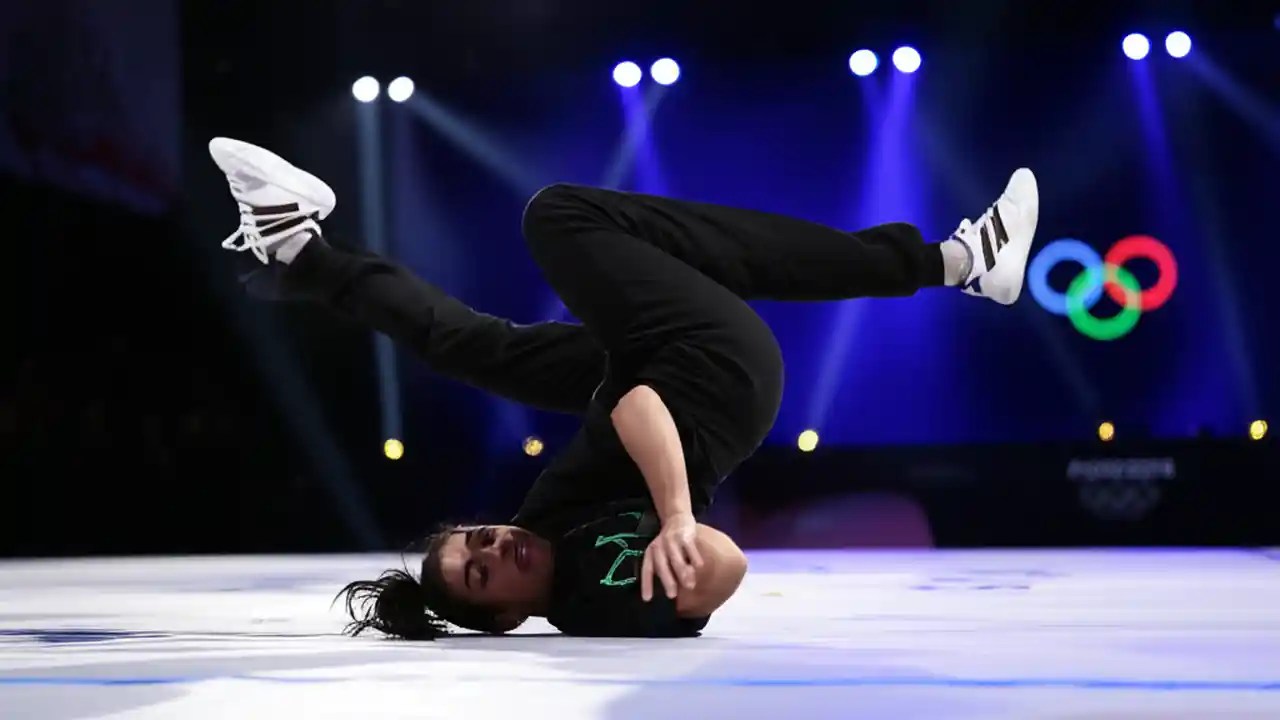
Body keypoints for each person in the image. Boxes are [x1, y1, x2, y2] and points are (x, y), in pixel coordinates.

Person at [207, 137, 1039, 639]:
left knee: (476, 347)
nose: (499, 546)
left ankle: (299, 249)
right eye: (485, 573)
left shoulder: (541, 526)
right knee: (560, 218)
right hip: (709, 375)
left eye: (478, 538)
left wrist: (669, 508)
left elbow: (627, 407)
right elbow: (725, 564)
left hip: (655, 377)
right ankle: (951, 262)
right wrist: (680, 523)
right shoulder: (596, 599)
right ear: (505, 620)